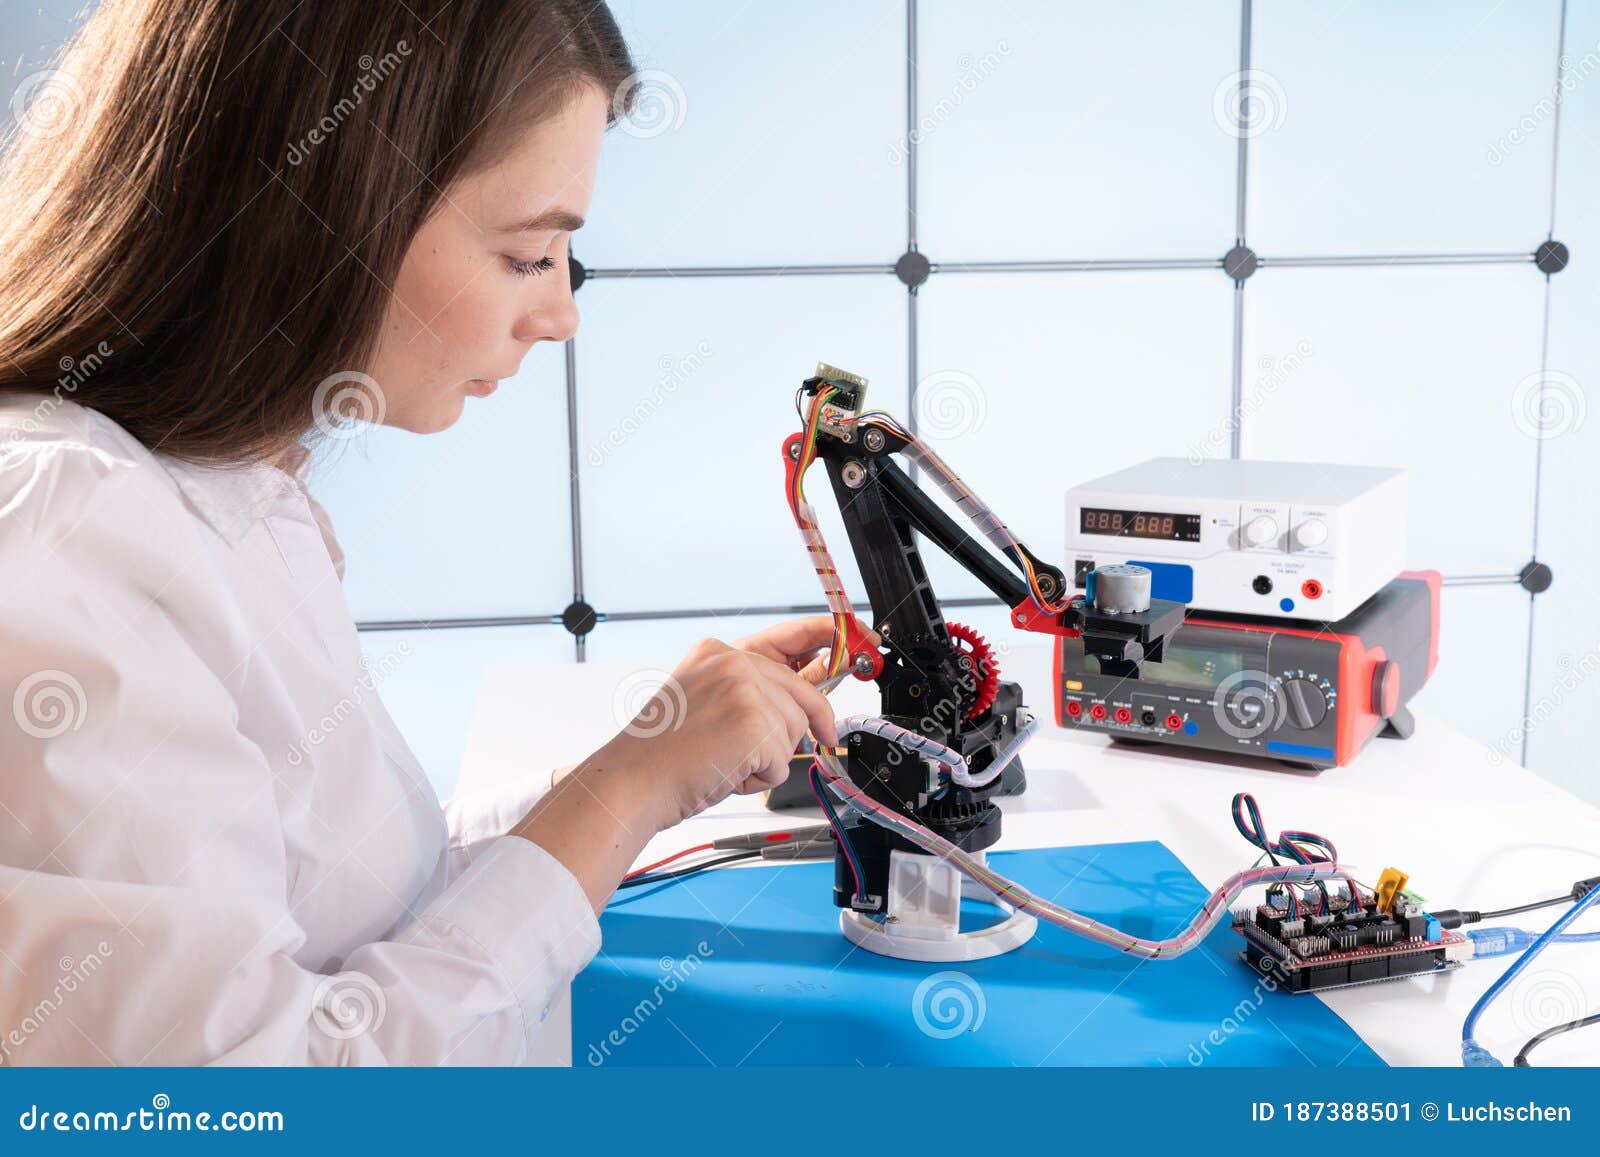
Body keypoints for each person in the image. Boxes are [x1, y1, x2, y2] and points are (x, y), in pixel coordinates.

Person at [0, 0, 872, 1065]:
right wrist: (624, 788)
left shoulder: (230, 489)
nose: (559, 314)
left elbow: (354, 908)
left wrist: (647, 759)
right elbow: (238, 1100)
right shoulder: (61, 530)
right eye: (524, 255)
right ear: (319, 210)